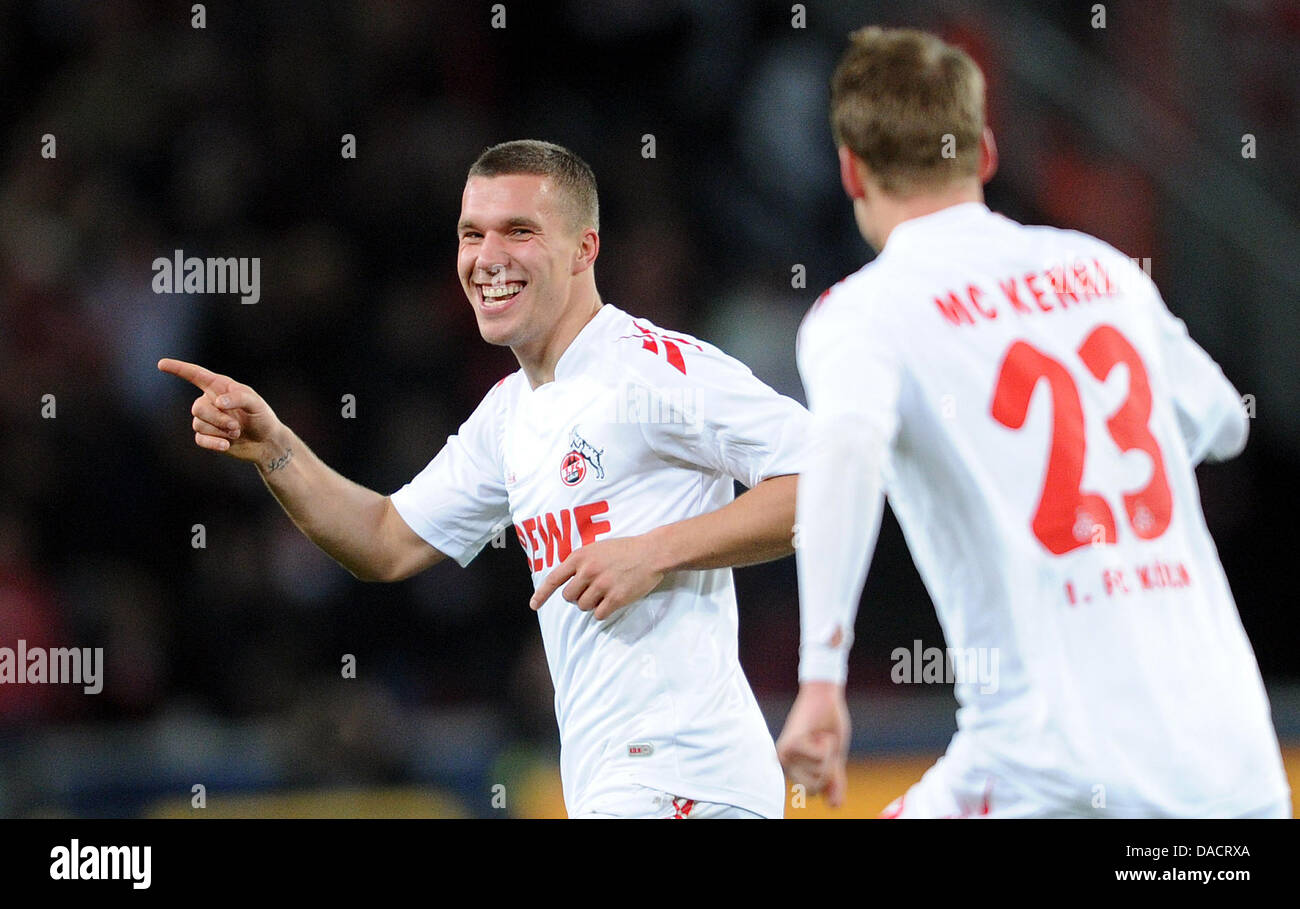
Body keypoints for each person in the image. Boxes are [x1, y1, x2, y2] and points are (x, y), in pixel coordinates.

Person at [160, 140, 809, 819]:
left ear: (584, 249)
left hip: (686, 783)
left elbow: (828, 479)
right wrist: (277, 449)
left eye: (519, 231)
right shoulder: (508, 414)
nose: (487, 257)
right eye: (473, 234)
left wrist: (655, 549)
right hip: (625, 786)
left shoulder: (648, 368)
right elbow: (385, 540)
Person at [775, 26, 1290, 818]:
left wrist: (820, 678)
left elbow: (847, 452)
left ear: (850, 168)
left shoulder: (864, 314)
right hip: (1234, 767)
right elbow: (1222, 420)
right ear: (984, 151)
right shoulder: (1103, 270)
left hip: (1051, 765)